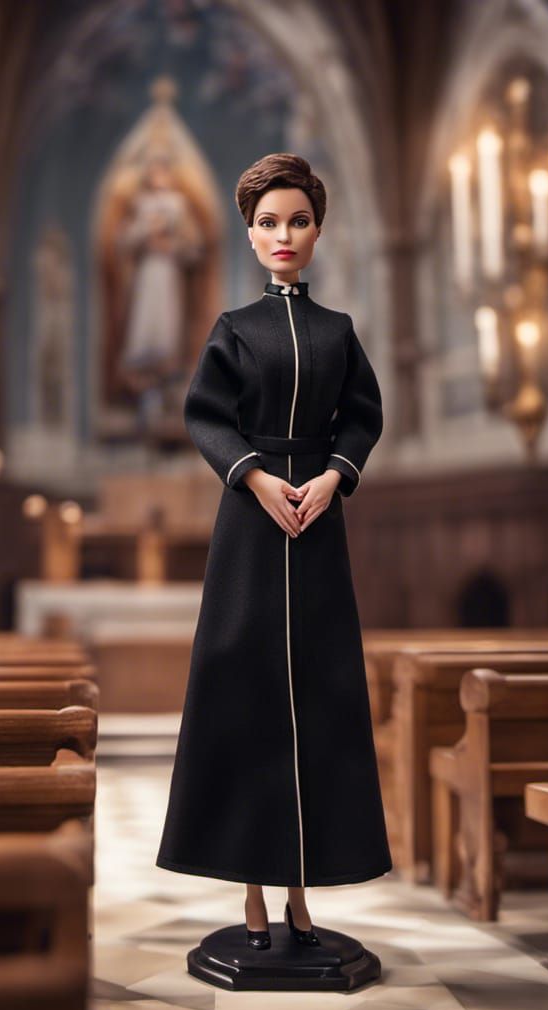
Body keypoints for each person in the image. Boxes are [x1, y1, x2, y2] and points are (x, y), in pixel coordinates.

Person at [155, 152, 392, 951]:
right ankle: (253, 894)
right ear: (249, 235)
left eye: (296, 220)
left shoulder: (338, 332)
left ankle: (303, 893)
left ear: (317, 229)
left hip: (318, 534)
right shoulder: (234, 331)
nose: (282, 234)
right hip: (251, 532)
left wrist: (332, 479)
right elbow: (206, 416)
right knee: (246, 701)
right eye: (267, 223)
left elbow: (362, 418)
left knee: (318, 706)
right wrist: (255, 480)